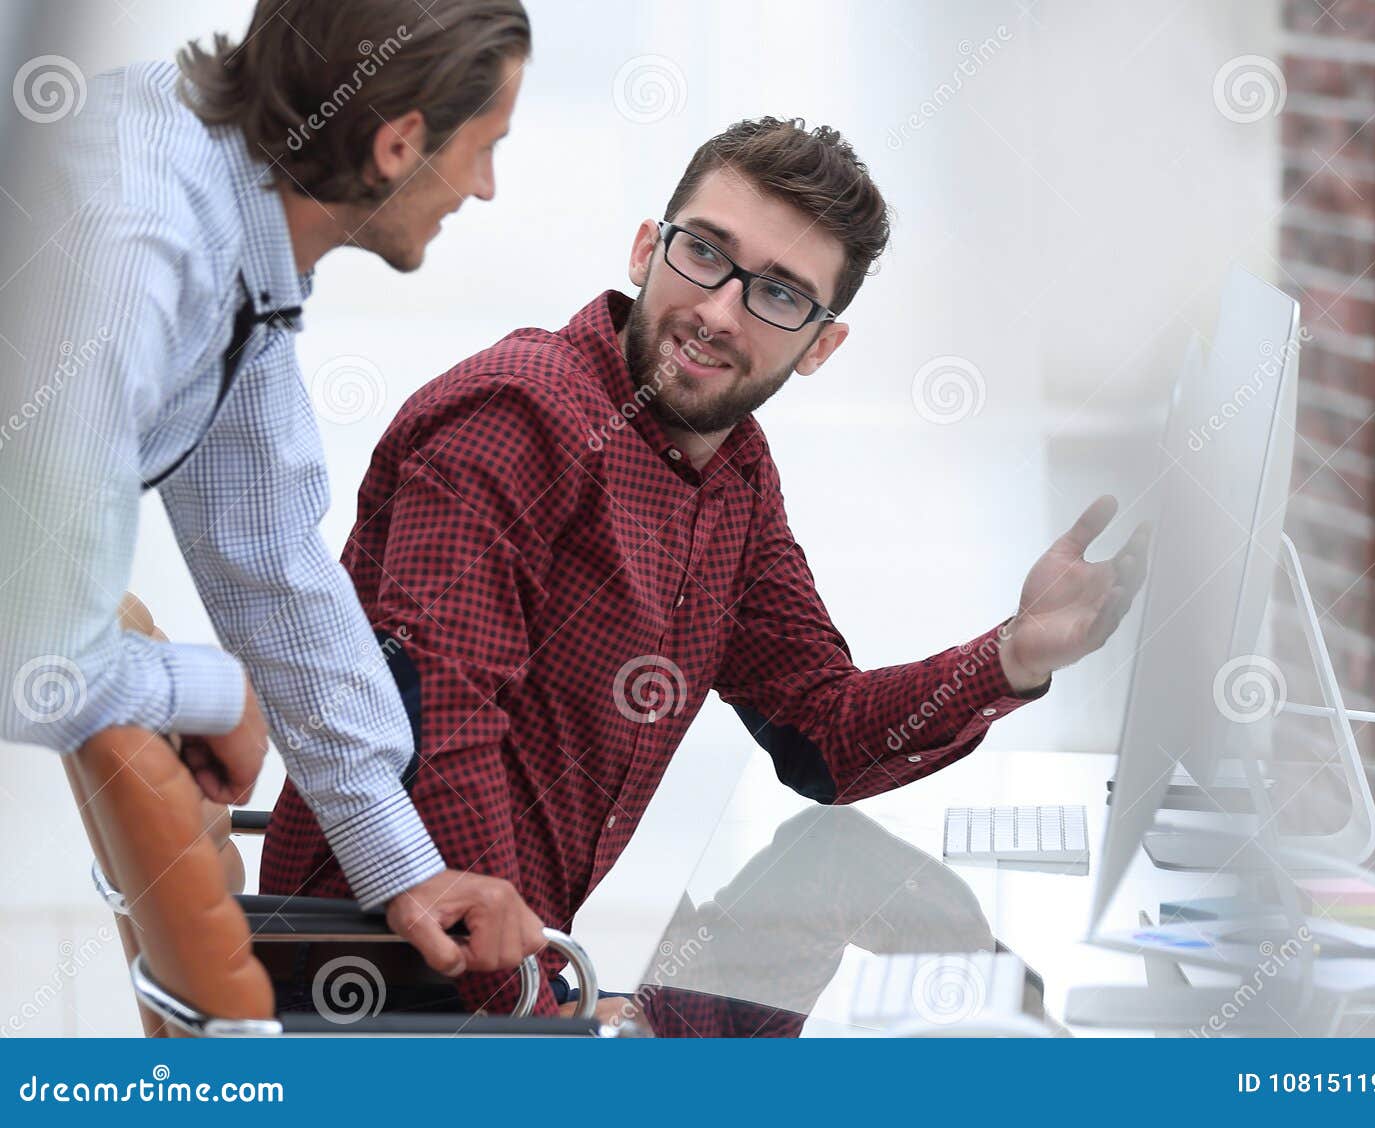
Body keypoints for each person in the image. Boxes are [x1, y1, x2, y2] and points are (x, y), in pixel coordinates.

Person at [261, 117, 1149, 1017]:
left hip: (522, 981)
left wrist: (1011, 656)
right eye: (704, 254)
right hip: (394, 997)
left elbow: (822, 734)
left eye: (779, 295)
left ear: (820, 346)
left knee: (838, 912)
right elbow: (439, 740)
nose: (720, 312)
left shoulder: (736, 473)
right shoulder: (519, 415)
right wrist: (550, 1017)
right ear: (647, 248)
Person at [0, 0, 543, 981]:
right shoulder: (139, 249)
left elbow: (270, 559)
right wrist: (214, 691)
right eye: (485, 148)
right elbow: (29, 647)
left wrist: (403, 866)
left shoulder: (221, 208)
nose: (487, 188)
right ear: (398, 143)